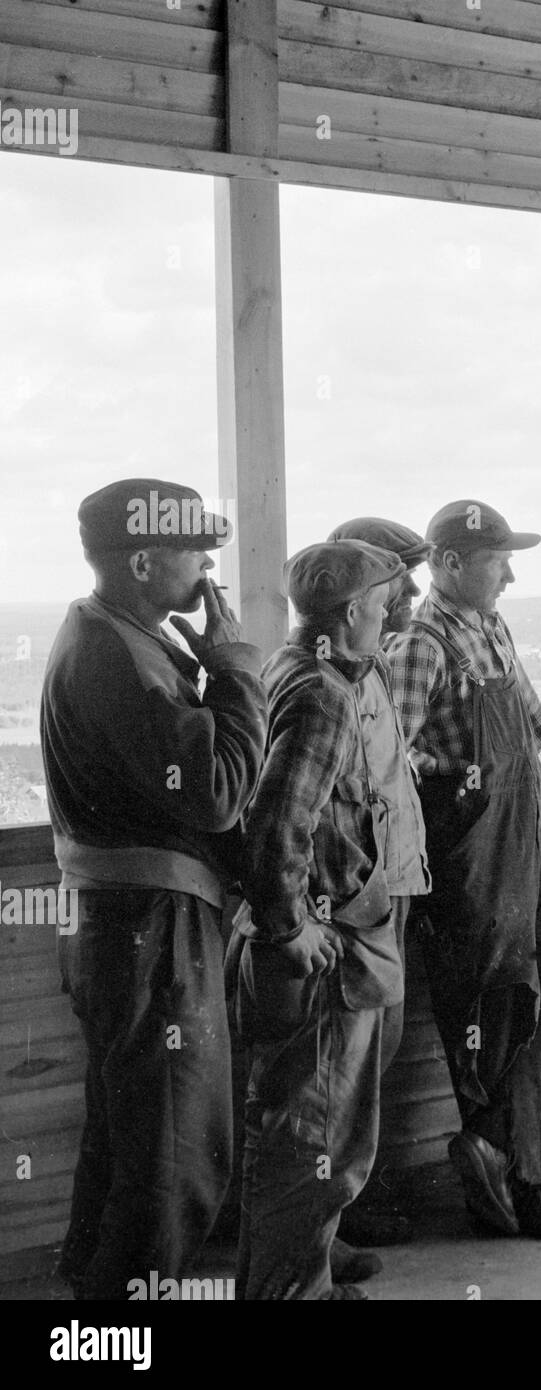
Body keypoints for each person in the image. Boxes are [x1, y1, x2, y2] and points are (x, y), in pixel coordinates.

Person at [386, 499, 541, 1240]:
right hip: (470, 855)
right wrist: (453, 770)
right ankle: (517, 1187)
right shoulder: (420, 644)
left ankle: (493, 1142)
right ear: (450, 563)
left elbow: (530, 719)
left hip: (531, 836)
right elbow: (385, 758)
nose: (511, 574)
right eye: (498, 560)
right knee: (493, 1020)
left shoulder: (490, 625)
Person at [41, 478, 267, 1300]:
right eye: (194, 549)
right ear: (143, 559)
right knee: (176, 1153)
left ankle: (96, 1319)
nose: (210, 563)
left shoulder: (112, 632)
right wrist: (238, 670)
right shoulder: (122, 656)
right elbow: (215, 790)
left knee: (131, 1140)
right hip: (153, 928)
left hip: (123, 920)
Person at [233, 539, 409, 1300]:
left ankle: (304, 1283)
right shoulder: (324, 695)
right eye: (379, 606)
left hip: (320, 943)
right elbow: (278, 823)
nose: (389, 615)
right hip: (321, 955)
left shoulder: (290, 666)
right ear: (347, 613)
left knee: (299, 1136)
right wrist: (289, 926)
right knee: (314, 1148)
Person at [324, 516, 433, 1246]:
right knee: (343, 1068)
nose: (411, 590)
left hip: (390, 889)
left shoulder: (376, 669)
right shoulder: (326, 679)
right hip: (357, 901)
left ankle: (336, 1222)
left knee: (371, 1059)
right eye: (399, 575)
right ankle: (322, 1233)